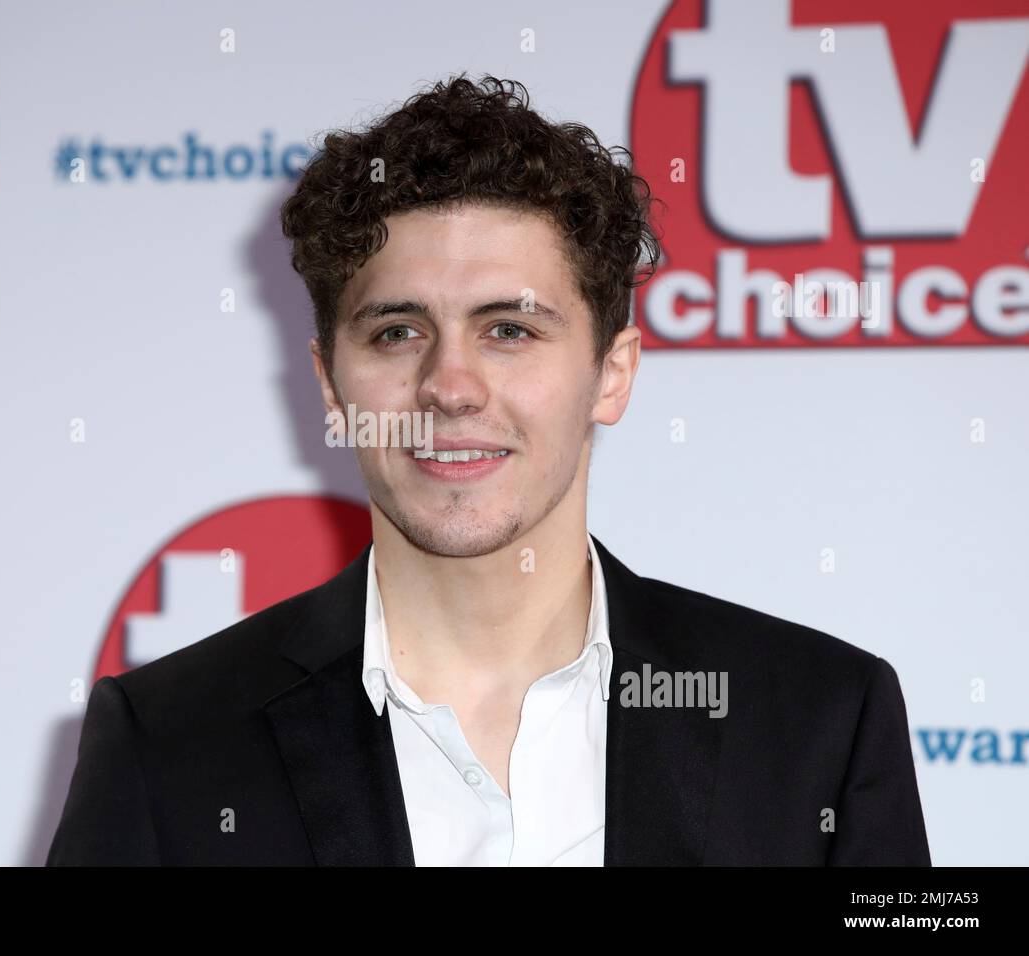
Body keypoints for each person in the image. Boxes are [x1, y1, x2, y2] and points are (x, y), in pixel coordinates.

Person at [47, 74, 930, 866]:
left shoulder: (819, 721)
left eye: (510, 329)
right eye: (397, 331)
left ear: (611, 374)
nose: (450, 387)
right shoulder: (170, 741)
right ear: (329, 382)